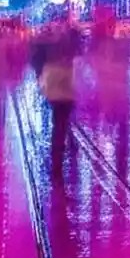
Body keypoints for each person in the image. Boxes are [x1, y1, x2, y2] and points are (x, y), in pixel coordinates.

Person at [40, 24, 79, 177]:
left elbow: (46, 83)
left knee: (59, 127)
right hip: (65, 99)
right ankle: (59, 156)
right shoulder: (69, 64)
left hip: (57, 99)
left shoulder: (52, 64)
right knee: (61, 126)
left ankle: (57, 159)